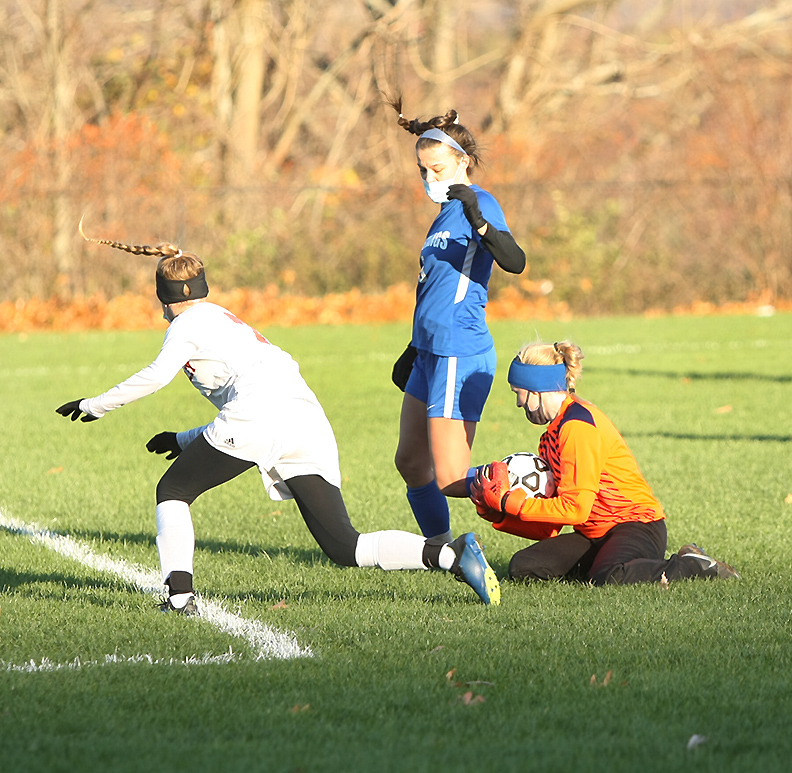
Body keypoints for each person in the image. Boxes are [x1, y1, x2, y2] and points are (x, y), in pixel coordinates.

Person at [55, 228, 501, 612]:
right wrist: (184, 438)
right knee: (344, 545)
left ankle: (177, 596)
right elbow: (243, 402)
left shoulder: (185, 326)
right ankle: (450, 555)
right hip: (304, 419)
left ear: (165, 298)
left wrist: (95, 404)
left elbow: (159, 378)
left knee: (172, 490)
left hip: (260, 418)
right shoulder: (224, 319)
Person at [470, 340, 740, 585]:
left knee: (608, 576)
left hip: (636, 525)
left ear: (536, 389)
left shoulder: (577, 427)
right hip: (595, 533)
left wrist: (509, 501)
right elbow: (548, 526)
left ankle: (692, 564)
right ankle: (606, 565)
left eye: (518, 392)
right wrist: (499, 514)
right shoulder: (550, 437)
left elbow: (575, 510)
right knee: (522, 567)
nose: (518, 403)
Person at [388, 97, 526, 544]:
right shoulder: (443, 214)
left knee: (450, 477)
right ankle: (442, 550)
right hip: (429, 351)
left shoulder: (479, 203)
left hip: (457, 350)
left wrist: (481, 221)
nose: (429, 178)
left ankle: (531, 478)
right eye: (423, 170)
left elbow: (516, 261)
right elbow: (435, 286)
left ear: (462, 161)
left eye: (438, 169)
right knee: (410, 462)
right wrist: (413, 346)